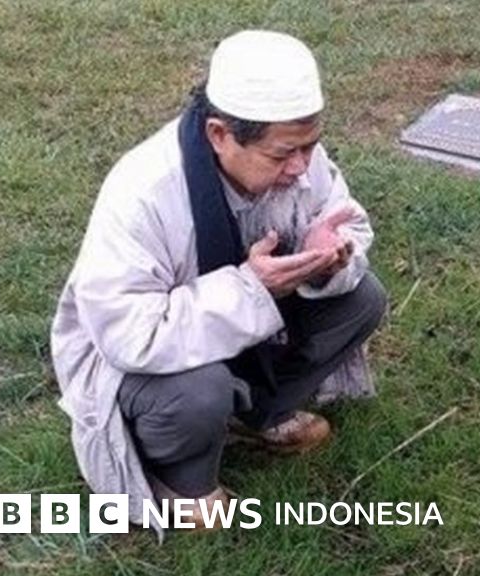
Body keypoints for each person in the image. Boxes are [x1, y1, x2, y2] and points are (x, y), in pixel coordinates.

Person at [50, 30, 387, 533]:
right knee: (199, 389)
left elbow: (350, 222)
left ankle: (258, 414)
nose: (300, 169)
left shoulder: (298, 159)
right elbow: (128, 337)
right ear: (218, 134)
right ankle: (185, 483)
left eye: (309, 147)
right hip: (141, 360)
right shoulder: (143, 192)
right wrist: (252, 289)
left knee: (361, 299)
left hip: (236, 322)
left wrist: (330, 257)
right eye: (281, 155)